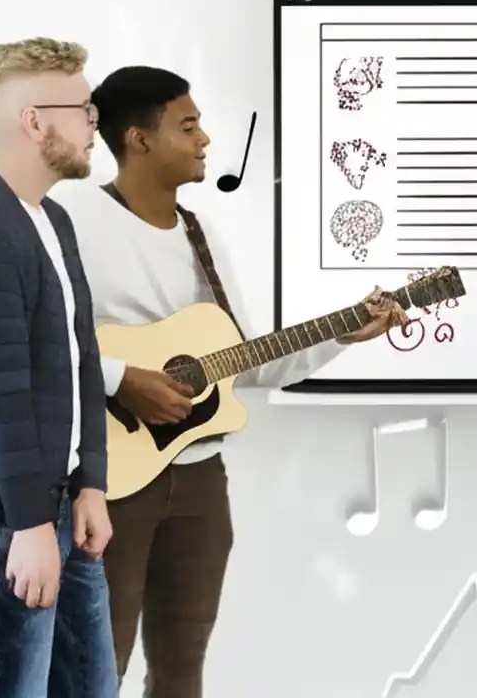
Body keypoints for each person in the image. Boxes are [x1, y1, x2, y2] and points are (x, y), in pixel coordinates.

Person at [51, 65, 409, 697]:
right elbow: (35, 341)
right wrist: (117, 379)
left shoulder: (201, 234)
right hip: (107, 481)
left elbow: (242, 358)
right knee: (94, 670)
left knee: (182, 670)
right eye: (188, 127)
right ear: (138, 139)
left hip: (199, 481)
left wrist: (343, 334)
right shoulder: (70, 222)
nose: (206, 141)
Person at [0, 37, 118, 696]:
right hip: (2, 524)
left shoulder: (51, 218)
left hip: (57, 512)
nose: (94, 125)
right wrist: (28, 524)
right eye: (84, 109)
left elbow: (79, 358)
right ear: (35, 121)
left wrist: (91, 483)